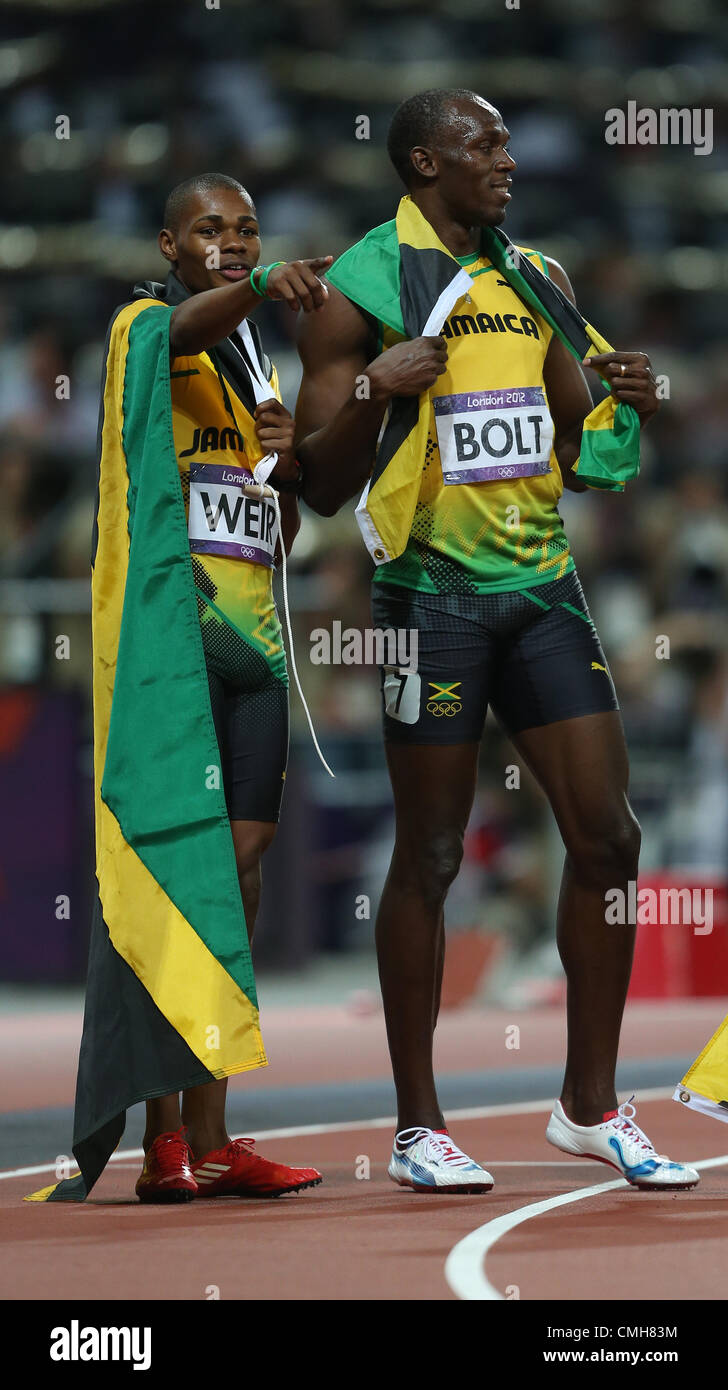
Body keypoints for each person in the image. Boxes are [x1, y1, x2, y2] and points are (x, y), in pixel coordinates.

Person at [294, 91, 699, 1193]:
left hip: (543, 588)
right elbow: (318, 487)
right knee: (428, 856)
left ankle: (589, 1104)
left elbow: (579, 450)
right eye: (487, 146)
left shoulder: (536, 281)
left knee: (608, 839)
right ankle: (418, 1124)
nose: (510, 161)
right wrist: (375, 393)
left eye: (510, 142)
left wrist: (629, 406)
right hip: (430, 599)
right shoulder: (359, 289)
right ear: (426, 160)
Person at [30, 173, 331, 1207]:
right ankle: (164, 1136)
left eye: (249, 228)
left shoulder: (253, 364)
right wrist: (259, 290)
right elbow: (195, 321)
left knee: (237, 886)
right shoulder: (141, 333)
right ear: (169, 243)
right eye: (211, 229)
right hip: (175, 645)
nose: (233, 242)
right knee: (182, 878)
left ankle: (213, 1136)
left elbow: (273, 533)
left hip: (256, 650)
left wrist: (285, 473)